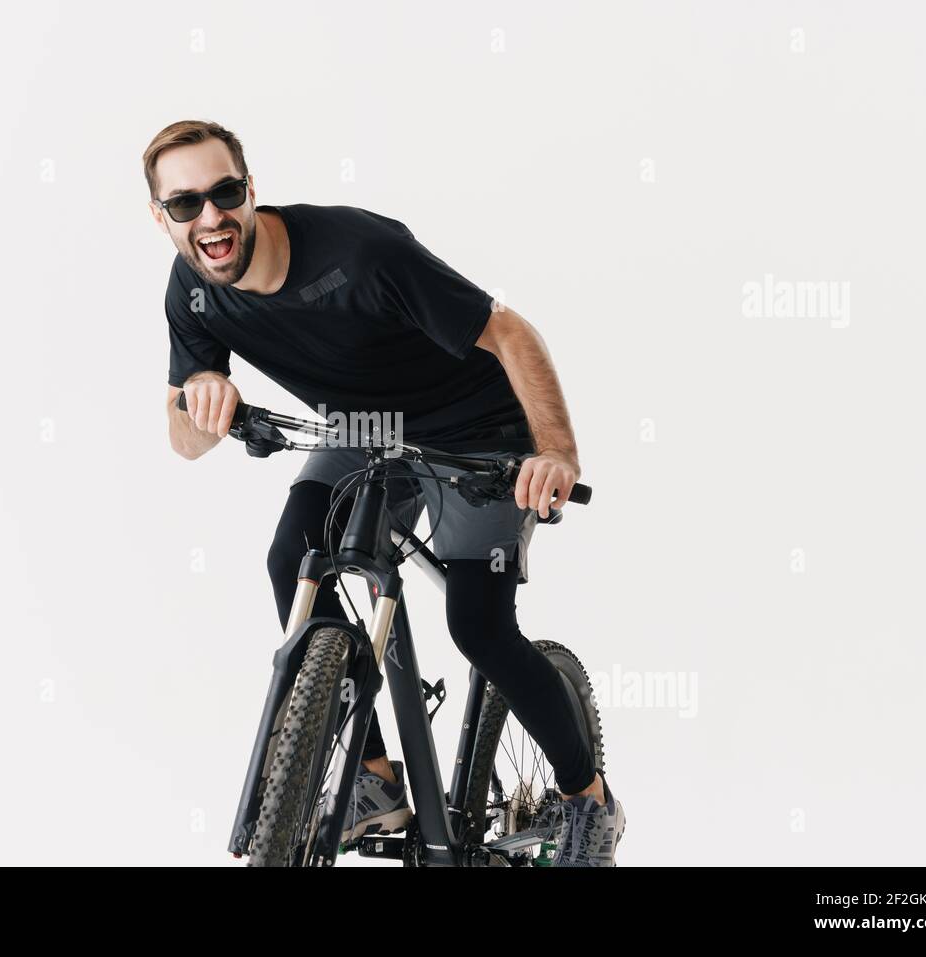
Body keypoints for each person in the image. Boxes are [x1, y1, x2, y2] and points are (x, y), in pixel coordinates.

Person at [147, 119, 624, 865]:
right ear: (162, 216)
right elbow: (184, 439)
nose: (210, 218)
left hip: (478, 430)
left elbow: (509, 332)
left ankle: (589, 799)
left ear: (250, 190)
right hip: (364, 428)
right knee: (291, 560)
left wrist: (556, 451)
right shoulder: (196, 290)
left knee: (478, 624)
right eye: (185, 205)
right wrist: (203, 393)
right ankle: (375, 780)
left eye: (224, 193)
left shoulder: (360, 254)